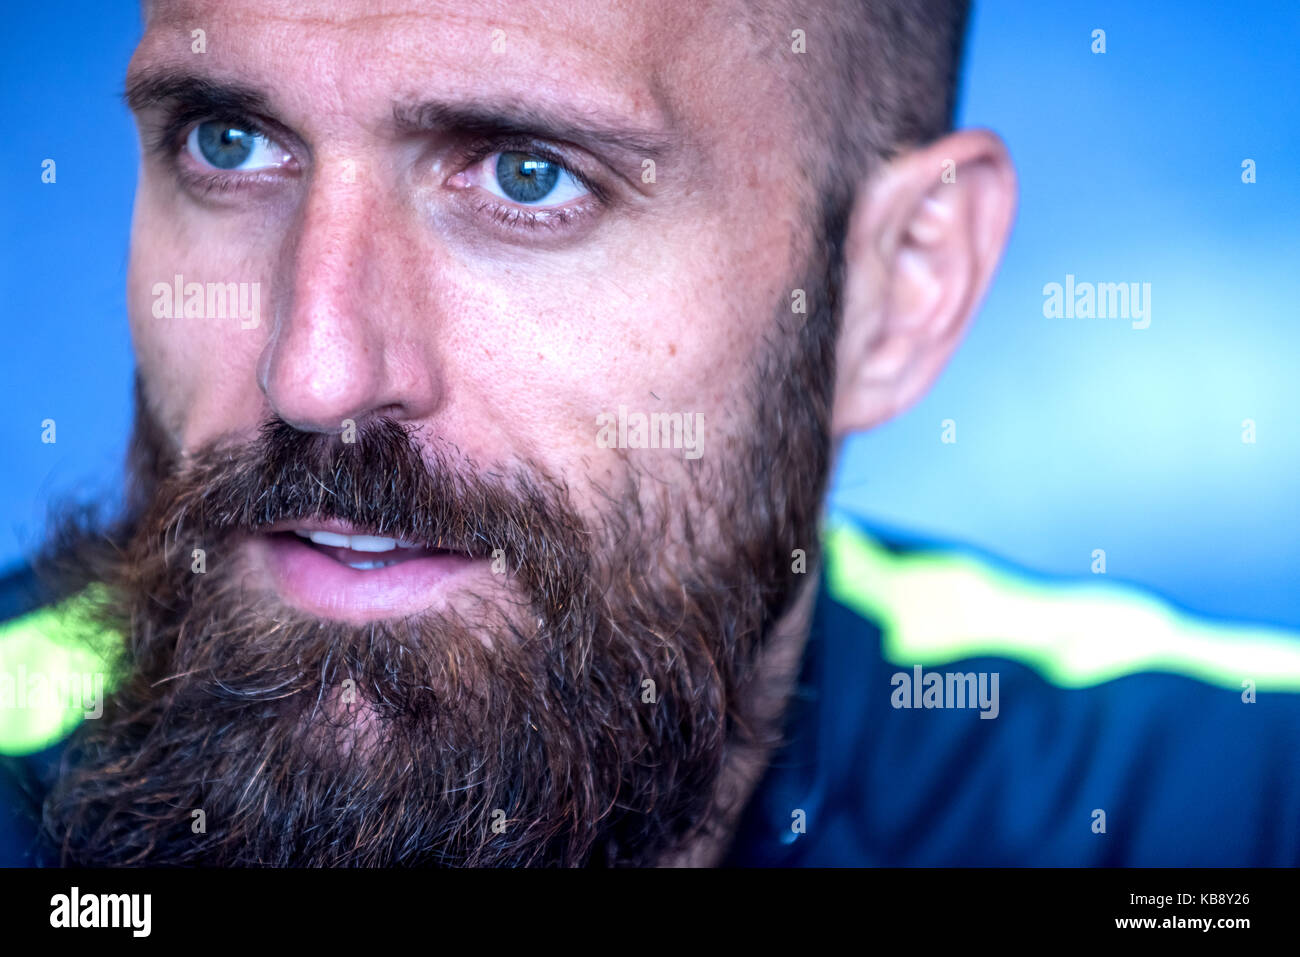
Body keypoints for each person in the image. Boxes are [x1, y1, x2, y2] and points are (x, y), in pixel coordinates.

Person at [2, 0, 1297, 867]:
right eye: (230, 144)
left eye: (527, 174)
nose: (316, 370)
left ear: (898, 287)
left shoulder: (1223, 807)